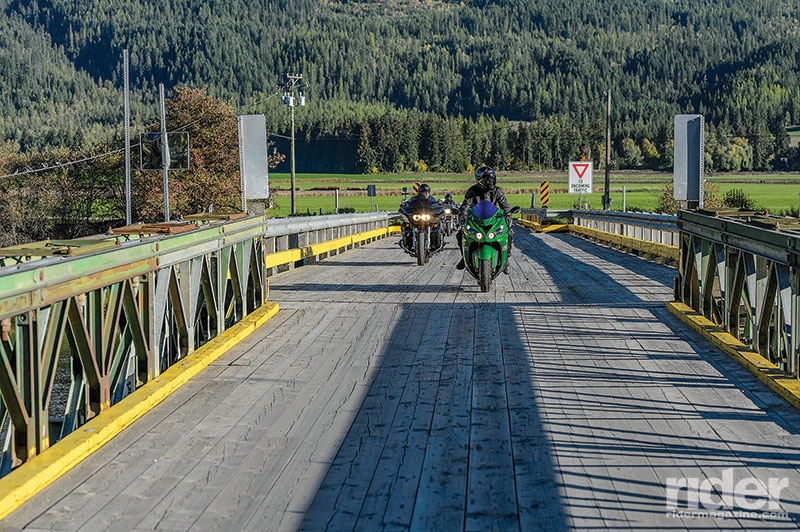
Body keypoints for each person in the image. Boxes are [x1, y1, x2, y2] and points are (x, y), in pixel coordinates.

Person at [455, 166, 514, 273]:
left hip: (493, 220)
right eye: (487, 180)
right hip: (476, 220)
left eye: (491, 179)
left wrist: (508, 214)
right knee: (460, 234)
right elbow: (466, 204)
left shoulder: (497, 190)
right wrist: (462, 215)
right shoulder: (472, 190)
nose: (490, 182)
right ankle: (464, 258)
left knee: (509, 233)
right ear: (480, 180)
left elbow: (504, 204)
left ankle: (506, 260)